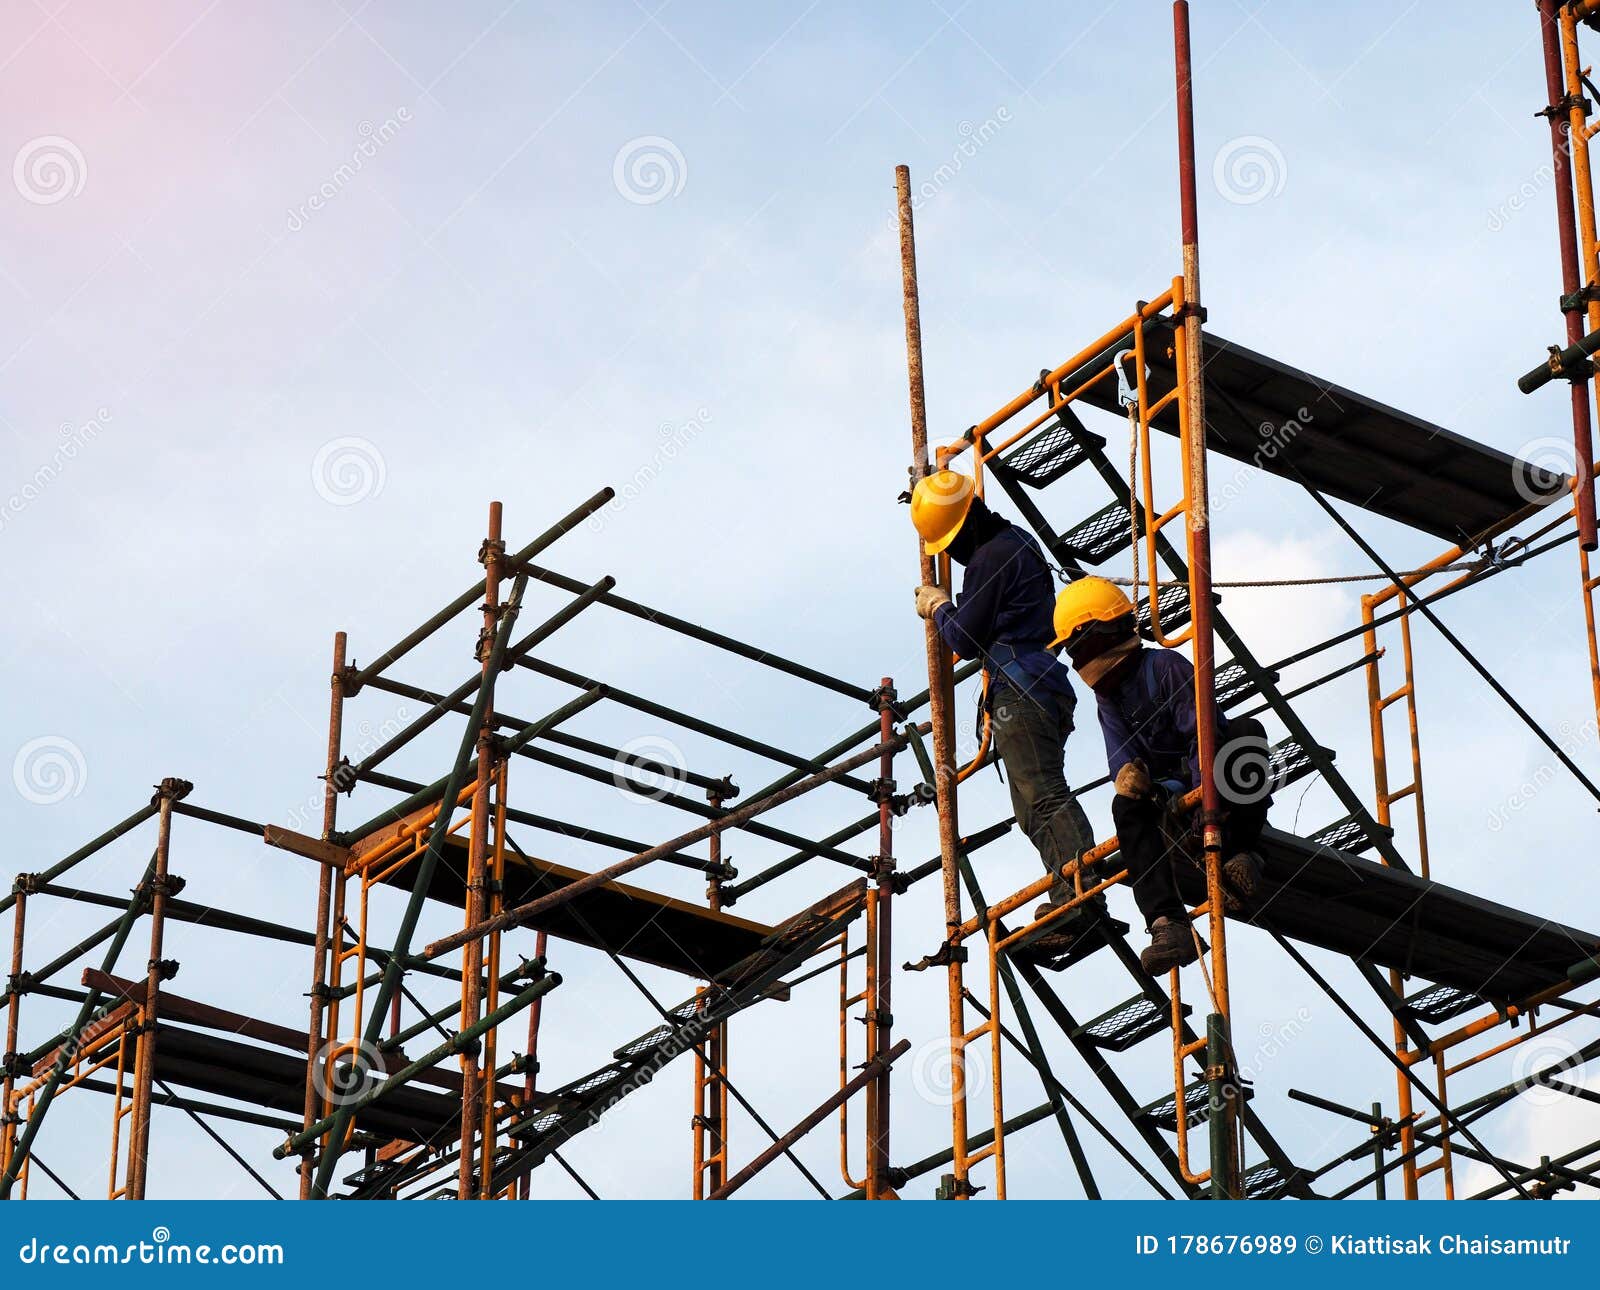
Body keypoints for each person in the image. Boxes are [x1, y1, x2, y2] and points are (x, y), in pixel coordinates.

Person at [1048, 575, 1268, 974]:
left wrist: (1207, 799)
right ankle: (1168, 924)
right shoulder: (1108, 697)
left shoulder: (1164, 666)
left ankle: (1247, 855)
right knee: (1125, 806)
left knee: (1247, 734)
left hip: (1218, 787)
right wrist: (1131, 779)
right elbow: (1121, 758)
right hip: (1173, 797)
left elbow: (1204, 736)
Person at [910, 469, 1092, 918]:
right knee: (1035, 802)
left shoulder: (990, 557)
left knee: (1043, 796)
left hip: (1022, 689)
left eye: (949, 542)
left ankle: (1079, 893)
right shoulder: (1017, 540)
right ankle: (1073, 889)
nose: (951, 553)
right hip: (1041, 684)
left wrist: (940, 608)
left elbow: (966, 640)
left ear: (965, 526)